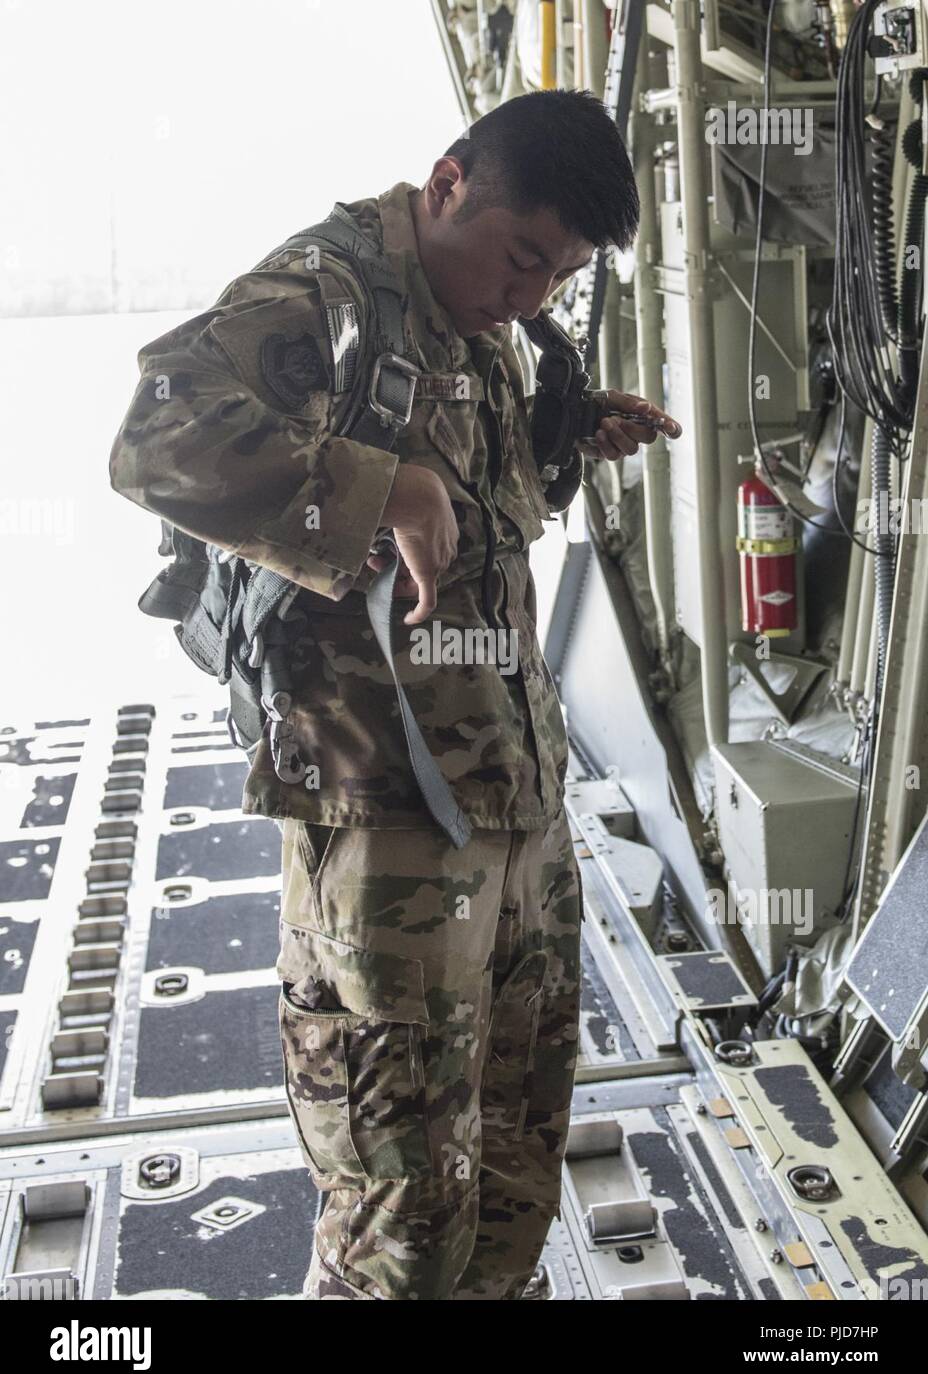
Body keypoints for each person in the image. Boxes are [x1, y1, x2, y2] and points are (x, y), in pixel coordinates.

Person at [109, 88, 680, 1300]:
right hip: (382, 832)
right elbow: (155, 440)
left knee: (516, 1162)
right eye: (522, 256)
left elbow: (477, 514)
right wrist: (373, 489)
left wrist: (565, 436)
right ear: (446, 184)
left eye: (559, 278)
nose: (528, 296)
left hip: (514, 814)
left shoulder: (476, 324)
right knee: (401, 1217)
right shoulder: (326, 290)